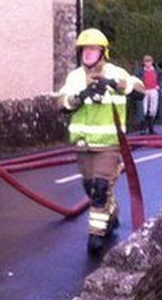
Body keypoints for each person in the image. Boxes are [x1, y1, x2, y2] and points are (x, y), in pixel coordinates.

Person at [58, 28, 145, 254]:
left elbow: (140, 89)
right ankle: (111, 211)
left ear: (103, 52)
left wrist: (116, 84)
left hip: (109, 144)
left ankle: (95, 237)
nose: (87, 53)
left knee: (100, 188)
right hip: (83, 144)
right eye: (84, 49)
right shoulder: (74, 77)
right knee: (90, 187)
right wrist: (79, 98)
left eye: (93, 49)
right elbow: (61, 103)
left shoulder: (116, 72)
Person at [135, 54, 161, 135]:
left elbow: (159, 78)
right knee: (144, 110)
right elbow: (137, 80)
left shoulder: (157, 70)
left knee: (153, 109)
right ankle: (143, 129)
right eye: (146, 62)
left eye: (149, 62)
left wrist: (158, 85)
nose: (148, 63)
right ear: (144, 62)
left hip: (153, 90)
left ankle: (151, 128)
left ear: (152, 62)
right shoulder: (140, 71)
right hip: (144, 90)